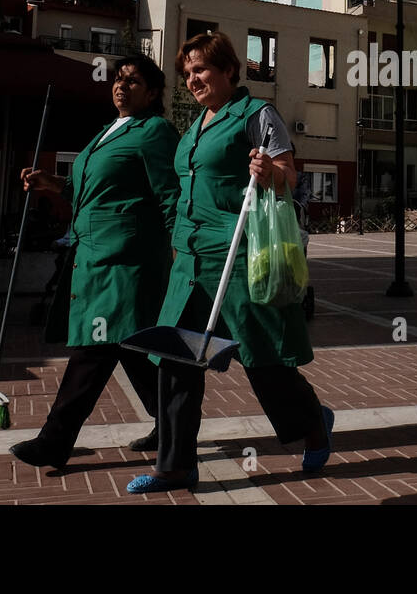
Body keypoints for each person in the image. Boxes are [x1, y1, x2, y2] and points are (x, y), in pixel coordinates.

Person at [127, 31, 330, 493]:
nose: (194, 79)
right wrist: (176, 246)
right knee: (176, 358)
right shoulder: (196, 125)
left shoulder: (257, 115)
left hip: (236, 256)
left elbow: (289, 178)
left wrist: (269, 173)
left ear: (228, 70)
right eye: (188, 73)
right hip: (190, 261)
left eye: (201, 69)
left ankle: (313, 423)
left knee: (263, 357)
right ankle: (175, 465)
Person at [10, 55, 180, 469]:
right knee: (132, 347)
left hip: (128, 260)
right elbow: (91, 191)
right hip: (92, 255)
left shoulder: (154, 131)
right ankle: (170, 424)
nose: (121, 87)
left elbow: (170, 195)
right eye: (118, 80)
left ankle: (55, 439)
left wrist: (183, 254)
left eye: (134, 81)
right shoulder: (107, 132)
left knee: (94, 348)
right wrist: (52, 183)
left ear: (153, 93)